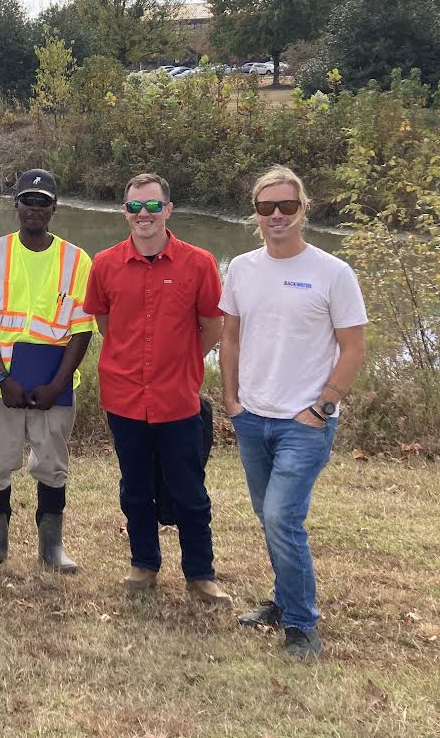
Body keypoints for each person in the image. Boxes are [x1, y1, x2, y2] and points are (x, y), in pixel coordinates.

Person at [220, 166, 367, 660]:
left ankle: (302, 625)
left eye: (287, 206)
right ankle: (283, 603)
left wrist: (323, 405)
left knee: (283, 516)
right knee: (269, 515)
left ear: (304, 209)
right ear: (256, 214)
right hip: (252, 416)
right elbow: (231, 337)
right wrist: (232, 399)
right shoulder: (241, 268)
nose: (277, 215)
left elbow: (352, 347)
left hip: (305, 422)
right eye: (266, 207)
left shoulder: (333, 272)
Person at [82, 172, 231, 606]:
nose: (143, 215)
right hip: (124, 396)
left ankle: (200, 574)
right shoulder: (105, 264)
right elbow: (106, 325)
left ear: (167, 209)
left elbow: (212, 327)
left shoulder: (199, 263)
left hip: (177, 397)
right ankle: (144, 564)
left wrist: (181, 362)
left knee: (189, 488)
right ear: (125, 212)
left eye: (151, 206)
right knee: (135, 486)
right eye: (134, 207)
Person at [0, 168, 94, 572]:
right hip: (2, 388)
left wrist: (57, 385)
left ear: (54, 208)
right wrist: (1, 377)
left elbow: (82, 332)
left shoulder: (77, 260)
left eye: (42, 201)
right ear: (15, 205)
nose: (34, 208)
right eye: (27, 200)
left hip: (55, 389)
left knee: (52, 465)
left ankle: (52, 548)